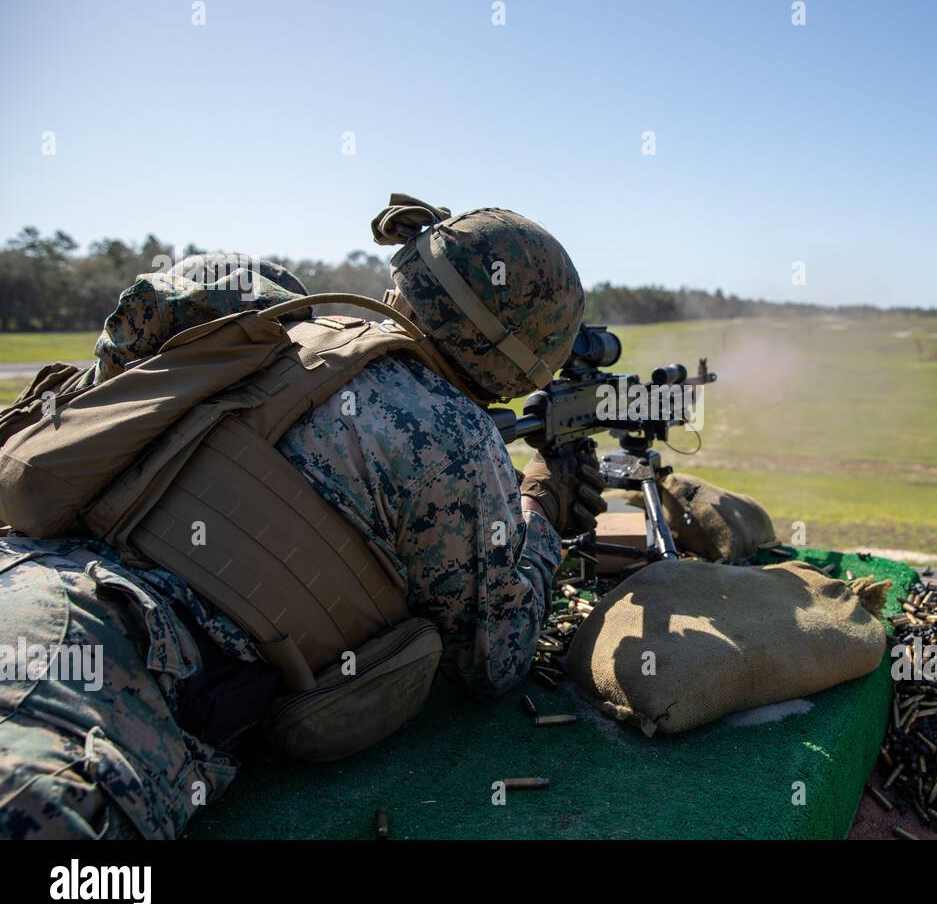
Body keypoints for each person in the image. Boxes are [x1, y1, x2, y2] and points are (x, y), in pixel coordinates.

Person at [0, 196, 605, 838]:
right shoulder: (451, 432)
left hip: (32, 567)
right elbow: (494, 661)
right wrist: (539, 509)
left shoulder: (284, 333)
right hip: (101, 646)